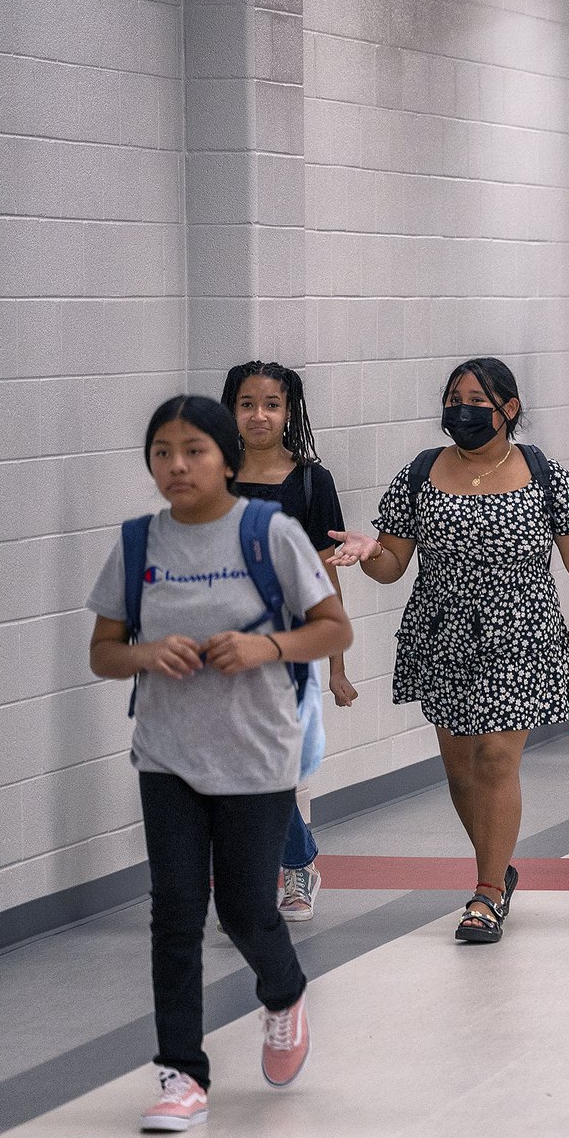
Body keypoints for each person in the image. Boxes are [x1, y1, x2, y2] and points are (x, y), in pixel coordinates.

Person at [87, 396, 352, 1131]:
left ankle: (284, 991)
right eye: (163, 451)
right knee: (174, 911)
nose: (178, 465)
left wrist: (266, 646)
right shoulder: (138, 544)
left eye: (195, 450)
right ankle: (182, 1075)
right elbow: (103, 651)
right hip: (167, 755)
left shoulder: (268, 535)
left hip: (258, 754)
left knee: (243, 908)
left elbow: (334, 628)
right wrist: (143, 654)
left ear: (227, 460)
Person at [328, 358, 569, 943]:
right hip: (443, 635)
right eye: (454, 397)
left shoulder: (543, 474)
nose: (463, 409)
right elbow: (393, 565)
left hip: (521, 634)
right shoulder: (420, 473)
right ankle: (496, 865)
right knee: (461, 771)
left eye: (476, 399)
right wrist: (367, 550)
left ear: (509, 409)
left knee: (496, 760)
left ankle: (484, 894)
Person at [221, 361, 353, 923]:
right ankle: (268, 873)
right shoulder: (212, 476)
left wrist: (339, 666)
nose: (259, 415)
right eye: (247, 403)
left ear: (289, 411)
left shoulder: (310, 483)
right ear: (230, 410)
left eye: (271, 404)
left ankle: (296, 865)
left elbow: (327, 580)